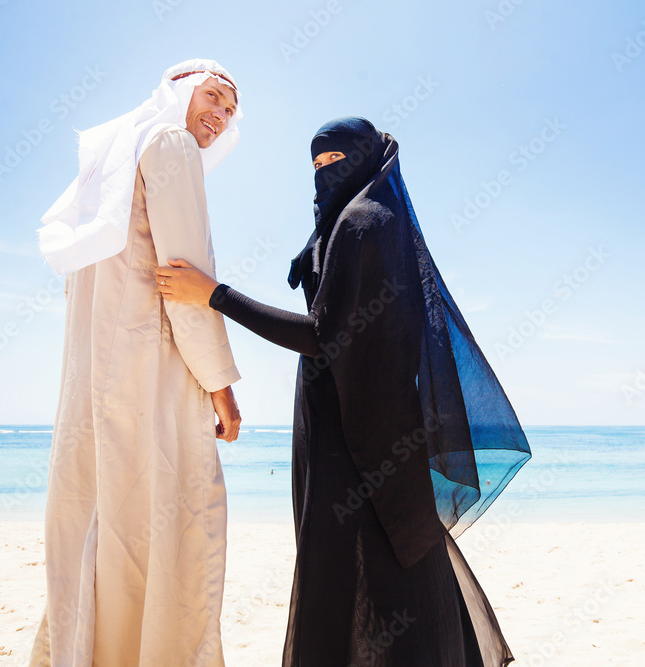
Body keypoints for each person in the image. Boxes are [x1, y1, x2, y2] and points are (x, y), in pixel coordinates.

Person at [157, 117, 531, 666]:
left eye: (337, 160)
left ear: (368, 159)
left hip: (359, 429)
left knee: (362, 556)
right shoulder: (352, 223)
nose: (325, 173)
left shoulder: (365, 223)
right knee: (377, 554)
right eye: (316, 165)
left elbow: (322, 335)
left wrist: (214, 295)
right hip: (345, 416)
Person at [30, 59, 244, 666]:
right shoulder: (171, 143)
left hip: (93, 389)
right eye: (213, 96)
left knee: (95, 531)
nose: (221, 114)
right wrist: (221, 388)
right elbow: (187, 276)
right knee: (168, 531)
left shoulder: (114, 166)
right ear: (177, 93)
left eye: (230, 109)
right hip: (154, 384)